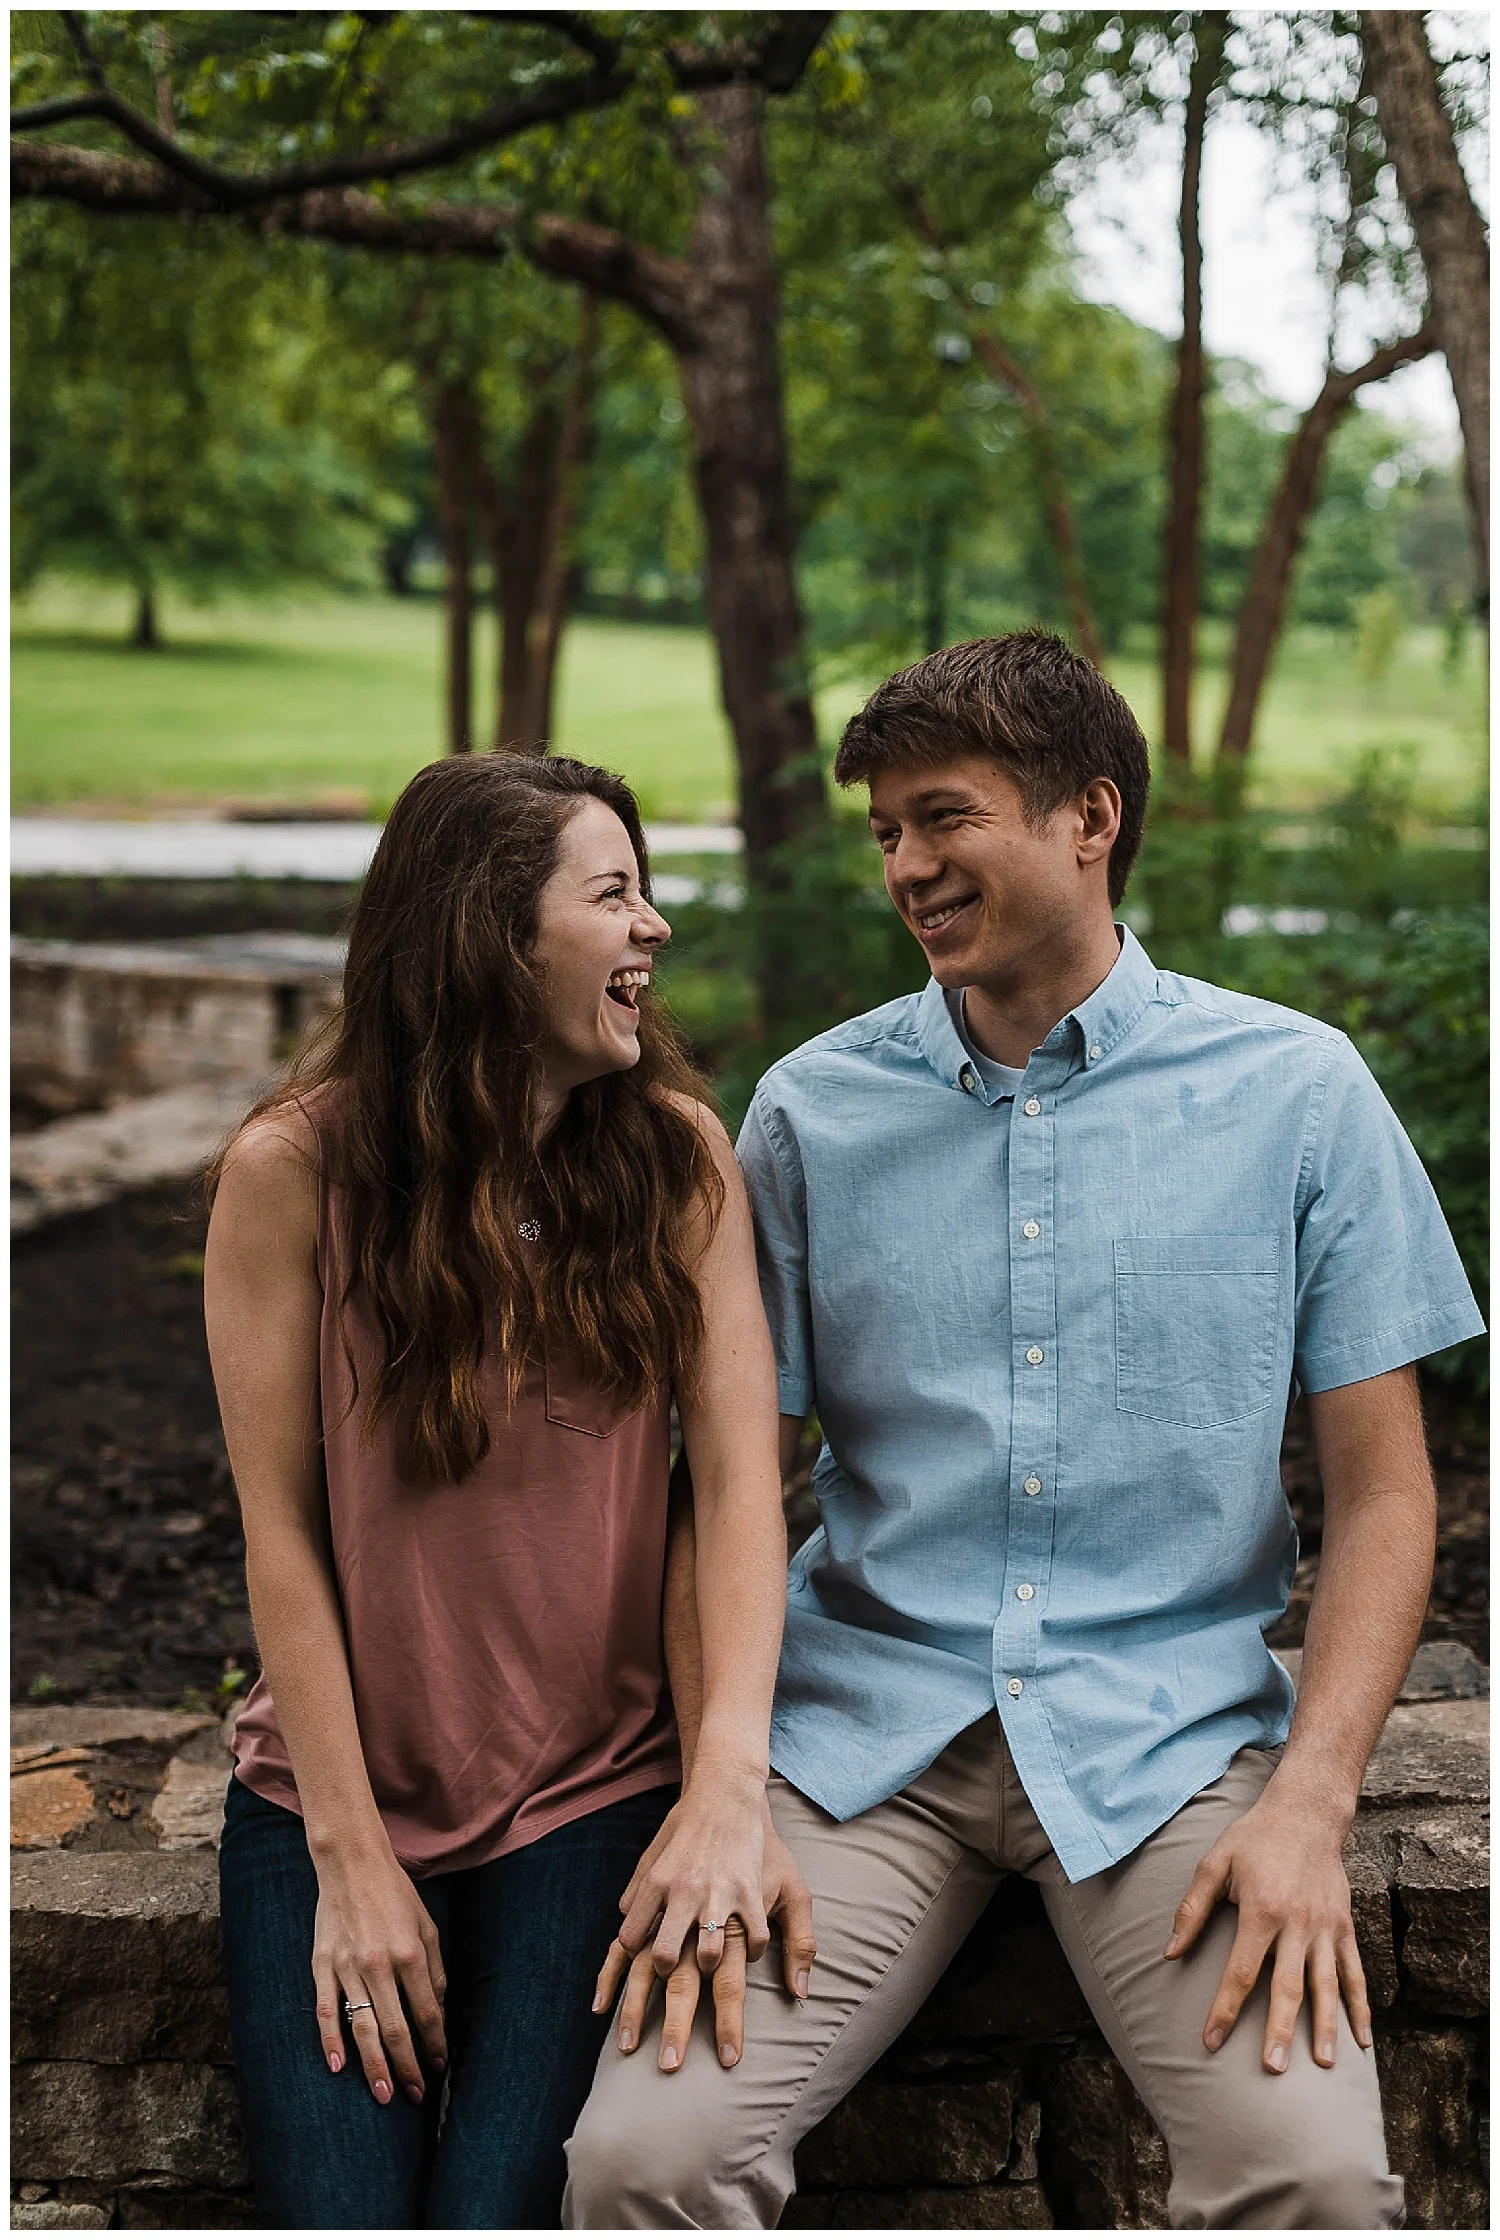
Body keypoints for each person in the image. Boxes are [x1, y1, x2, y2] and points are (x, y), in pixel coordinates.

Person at [564, 632, 1485, 2229]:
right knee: (645, 2162)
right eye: (885, 836)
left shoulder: (1297, 1092)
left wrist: (1313, 1805)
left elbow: (1387, 1495)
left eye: (943, 818)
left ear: (1088, 818)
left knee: (1318, 2179)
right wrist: (720, 1788)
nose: (907, 868)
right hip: (863, 1750)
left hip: (1170, 1747)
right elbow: (728, 1485)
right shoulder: (809, 1113)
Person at [205, 753, 794, 2229]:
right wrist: (348, 1859)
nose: (654, 927)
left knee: (499, 2215)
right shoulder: (292, 1173)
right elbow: (278, 1529)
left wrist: (724, 1782)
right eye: (614, 894)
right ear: (489, 931)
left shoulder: (676, 1164)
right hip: (331, 1797)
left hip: (592, 1792)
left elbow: (737, 1497)